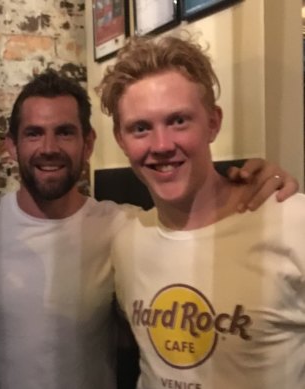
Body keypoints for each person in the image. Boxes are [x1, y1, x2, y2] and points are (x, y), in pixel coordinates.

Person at [0, 70, 298, 389]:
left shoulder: (125, 226)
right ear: (11, 146)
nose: (49, 148)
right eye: (34, 134)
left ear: (89, 143)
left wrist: (260, 180)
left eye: (65, 132)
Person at [101, 34, 305, 388]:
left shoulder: (293, 222)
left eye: (179, 120)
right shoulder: (126, 241)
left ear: (213, 122)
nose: (161, 145)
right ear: (120, 138)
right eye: (140, 128)